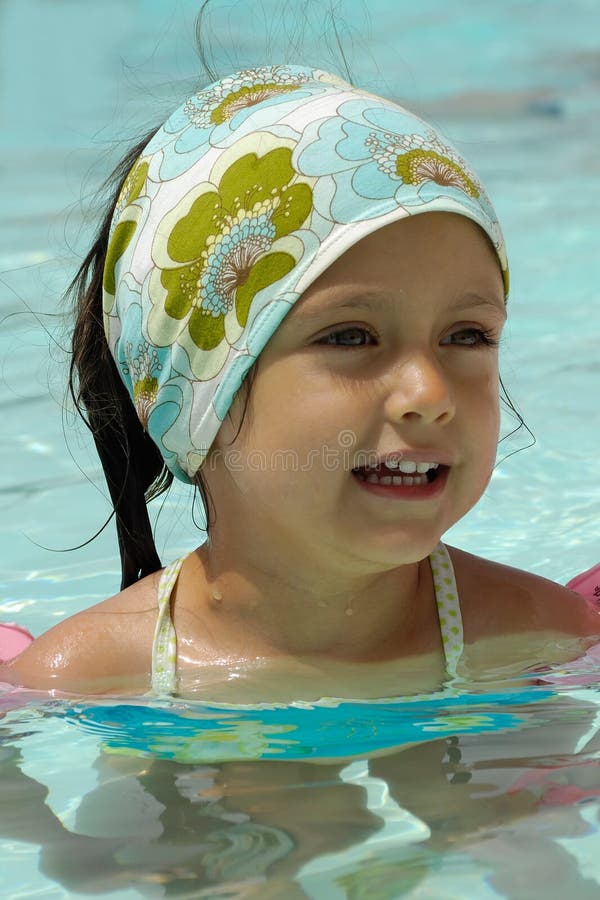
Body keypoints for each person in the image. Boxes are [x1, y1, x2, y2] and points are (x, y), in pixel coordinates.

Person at [3, 63, 598, 698]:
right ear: (201, 396)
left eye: (467, 335)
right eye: (349, 337)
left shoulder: (539, 636)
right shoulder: (87, 681)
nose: (430, 394)